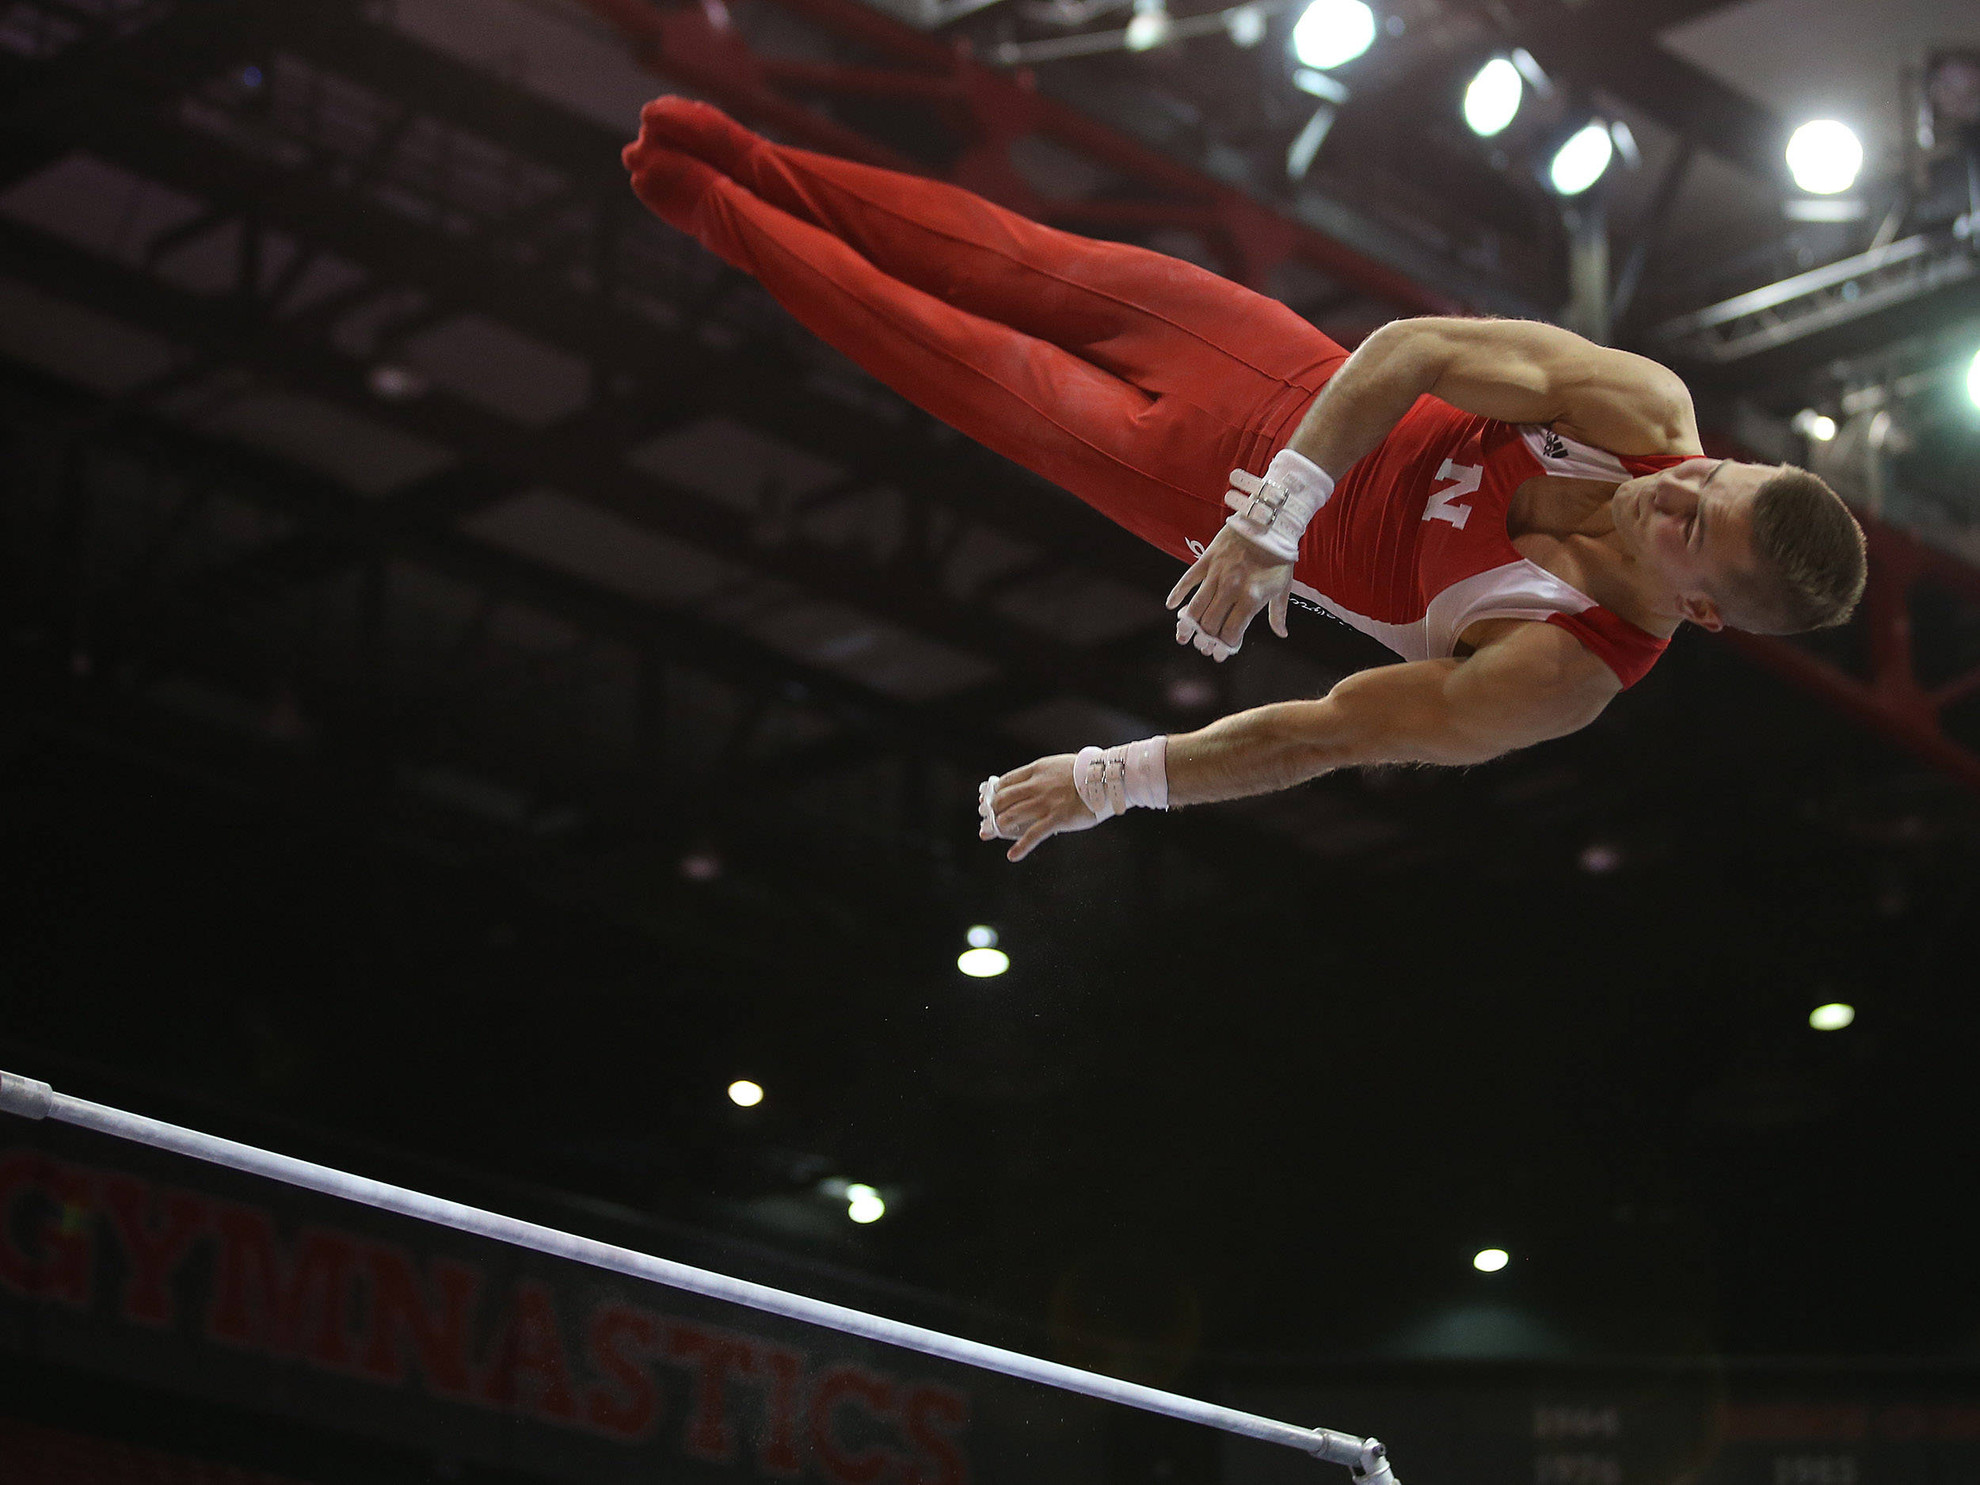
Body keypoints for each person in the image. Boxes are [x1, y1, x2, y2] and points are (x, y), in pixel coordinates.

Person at [621, 97, 1869, 863]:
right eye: (1715, 473)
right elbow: (1411, 350)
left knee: (946, 349)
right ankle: (747, 154)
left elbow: (1325, 736)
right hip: (1262, 367)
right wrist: (1280, 513)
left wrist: (1112, 781)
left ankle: (718, 212)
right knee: (1000, 258)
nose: (1675, 485)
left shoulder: (1561, 672)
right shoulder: (1645, 412)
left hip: (1179, 483)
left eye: (1692, 524)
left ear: (1701, 610)